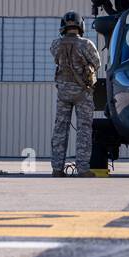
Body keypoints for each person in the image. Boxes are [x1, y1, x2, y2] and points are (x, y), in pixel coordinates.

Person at [49, 10, 101, 177]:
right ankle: (83, 168)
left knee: (60, 130)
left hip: (63, 92)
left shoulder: (56, 44)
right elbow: (97, 62)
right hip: (82, 93)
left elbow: (55, 57)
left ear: (63, 27)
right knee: (83, 130)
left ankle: (57, 168)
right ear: (81, 26)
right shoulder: (86, 44)